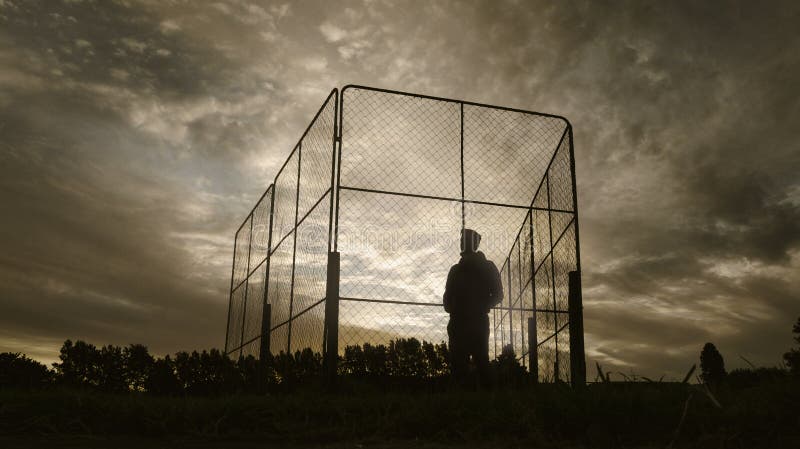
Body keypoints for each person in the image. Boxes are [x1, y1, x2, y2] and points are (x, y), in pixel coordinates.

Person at [443, 228, 503, 385]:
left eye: (465, 240)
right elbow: (446, 299)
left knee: (481, 363)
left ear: (474, 243)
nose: (462, 243)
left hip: (476, 321)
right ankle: (464, 401)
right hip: (459, 322)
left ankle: (487, 401)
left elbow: (498, 294)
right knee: (458, 365)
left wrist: (480, 307)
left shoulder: (486, 267)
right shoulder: (455, 270)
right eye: (462, 240)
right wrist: (454, 309)